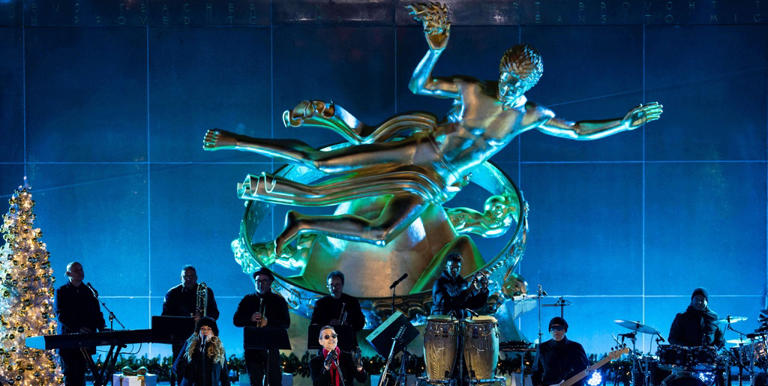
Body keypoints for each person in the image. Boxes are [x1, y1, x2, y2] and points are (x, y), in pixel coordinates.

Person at [203, 3, 662, 260]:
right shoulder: (473, 89)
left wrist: (623, 122)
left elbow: (579, 131)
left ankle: (301, 223)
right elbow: (419, 84)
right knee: (323, 161)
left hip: (436, 182)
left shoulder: (531, 116)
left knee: (383, 233)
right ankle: (237, 140)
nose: (505, 84)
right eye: (504, 75)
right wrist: (434, 47)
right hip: (418, 152)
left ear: (528, 84)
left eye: (515, 82)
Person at [431, 252, 489, 386]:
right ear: (447, 266)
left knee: (467, 366)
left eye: (457, 267)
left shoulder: (463, 282)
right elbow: (449, 303)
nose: (455, 270)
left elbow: (473, 303)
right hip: (444, 332)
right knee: (448, 368)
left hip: (462, 329)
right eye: (452, 267)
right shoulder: (439, 284)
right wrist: (469, 290)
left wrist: (483, 291)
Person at [162, 265, 220, 386]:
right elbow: (165, 317)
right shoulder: (172, 294)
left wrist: (203, 318)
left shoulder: (206, 292)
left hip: (203, 342)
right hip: (182, 342)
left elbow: (215, 314)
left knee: (206, 376)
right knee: (185, 377)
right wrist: (188, 319)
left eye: (191, 276)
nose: (188, 279)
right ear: (180, 278)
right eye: (185, 276)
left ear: (196, 277)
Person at [233, 266, 293, 386]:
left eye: (264, 281)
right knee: (255, 381)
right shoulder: (248, 300)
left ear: (270, 283)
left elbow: (286, 323)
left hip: (271, 346)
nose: (260, 284)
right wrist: (250, 318)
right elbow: (236, 320)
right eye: (258, 281)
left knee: (275, 379)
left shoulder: (279, 301)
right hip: (252, 346)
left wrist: (269, 322)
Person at [54, 261, 106, 386]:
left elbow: (96, 312)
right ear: (68, 274)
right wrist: (78, 328)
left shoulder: (88, 291)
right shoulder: (62, 291)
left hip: (86, 340)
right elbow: (61, 315)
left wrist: (101, 327)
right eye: (76, 270)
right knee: (71, 376)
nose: (80, 272)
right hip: (69, 341)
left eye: (81, 269)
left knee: (80, 375)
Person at [310, 270, 366, 350]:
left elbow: (360, 323)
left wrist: (347, 324)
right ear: (327, 286)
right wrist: (328, 324)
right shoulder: (320, 303)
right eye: (331, 285)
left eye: (337, 285)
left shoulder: (352, 302)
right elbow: (314, 325)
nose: (334, 288)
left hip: (347, 344)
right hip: (327, 346)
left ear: (342, 285)